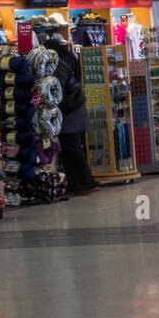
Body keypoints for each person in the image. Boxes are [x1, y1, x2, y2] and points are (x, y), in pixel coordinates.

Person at [37, 14, 99, 196]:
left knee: (72, 150)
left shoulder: (60, 65)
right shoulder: (68, 61)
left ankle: (85, 183)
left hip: (70, 113)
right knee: (74, 150)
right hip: (75, 110)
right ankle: (77, 183)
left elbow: (57, 88)